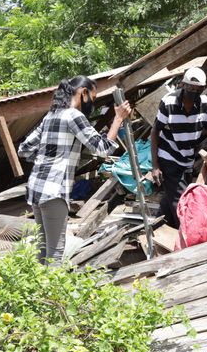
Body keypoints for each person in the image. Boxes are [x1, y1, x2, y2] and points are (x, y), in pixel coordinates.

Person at [18, 76, 132, 264]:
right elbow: (102, 149)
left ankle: (35, 289)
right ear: (83, 93)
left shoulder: (51, 115)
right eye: (93, 99)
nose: (92, 104)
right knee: (55, 253)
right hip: (54, 191)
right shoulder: (74, 116)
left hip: (36, 188)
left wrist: (44, 161)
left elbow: (24, 149)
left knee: (42, 248)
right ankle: (49, 293)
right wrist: (118, 118)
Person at [149, 67, 207, 228]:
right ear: (183, 85)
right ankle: (186, 233)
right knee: (180, 200)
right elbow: (155, 131)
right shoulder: (168, 101)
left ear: (202, 89)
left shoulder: (204, 103)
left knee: (170, 198)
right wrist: (155, 166)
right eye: (190, 88)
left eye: (198, 89)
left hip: (187, 158)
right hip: (169, 155)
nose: (194, 92)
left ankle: (156, 229)